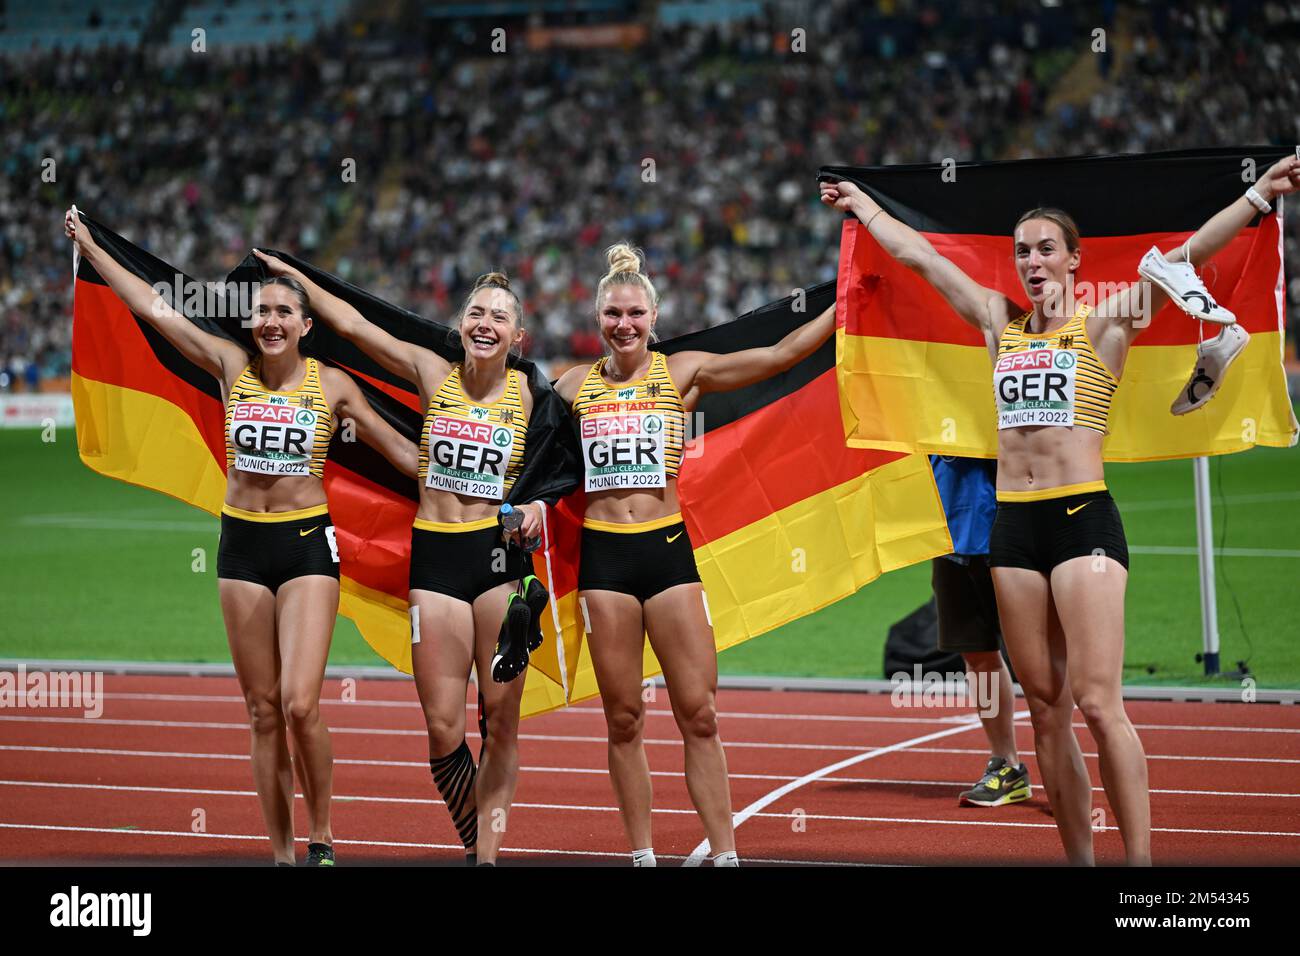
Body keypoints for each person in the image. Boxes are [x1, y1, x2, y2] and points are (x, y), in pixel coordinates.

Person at [821, 153, 1300, 865]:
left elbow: (1187, 254)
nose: (1032, 261)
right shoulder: (998, 323)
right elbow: (920, 257)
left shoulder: (1106, 324)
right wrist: (863, 207)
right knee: (1044, 708)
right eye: (1022, 252)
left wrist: (1258, 196)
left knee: (1100, 704)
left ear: (1074, 261)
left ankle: (1137, 870)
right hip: (1013, 530)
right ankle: (1081, 860)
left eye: (1047, 249)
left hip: (1082, 523)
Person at [66, 209, 420, 866]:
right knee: (261, 710)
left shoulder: (333, 385)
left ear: (306, 325)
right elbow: (155, 308)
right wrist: (92, 246)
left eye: (286, 311)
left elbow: (399, 450)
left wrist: (485, 480)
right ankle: (283, 853)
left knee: (299, 703)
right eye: (264, 312)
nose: (273, 321)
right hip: (242, 551)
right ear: (250, 321)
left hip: (309, 547)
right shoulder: (231, 364)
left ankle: (323, 835)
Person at [255, 251, 580, 866]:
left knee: (502, 725)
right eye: (476, 313)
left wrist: (537, 503)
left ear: (518, 336)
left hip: (498, 560)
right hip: (435, 559)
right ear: (461, 325)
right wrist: (297, 279)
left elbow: (559, 462)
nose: (486, 324)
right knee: (442, 729)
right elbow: (354, 328)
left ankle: (485, 856)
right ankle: (472, 836)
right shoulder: (433, 373)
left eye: (499, 318)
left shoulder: (536, 393)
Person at [554, 243, 836, 867]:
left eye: (634, 313)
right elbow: (516, 437)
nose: (623, 324)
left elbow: (781, 355)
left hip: (667, 553)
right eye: (611, 314)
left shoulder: (682, 372)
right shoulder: (570, 386)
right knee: (624, 719)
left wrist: (845, 305)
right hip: (604, 563)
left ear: (655, 316)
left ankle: (727, 855)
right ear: (596, 318)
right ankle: (643, 856)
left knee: (699, 713)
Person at [928, 455, 1028, 807]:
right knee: (977, 655)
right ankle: (1006, 764)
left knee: (1038, 660)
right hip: (951, 534)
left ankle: (1062, 761)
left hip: (1013, 531)